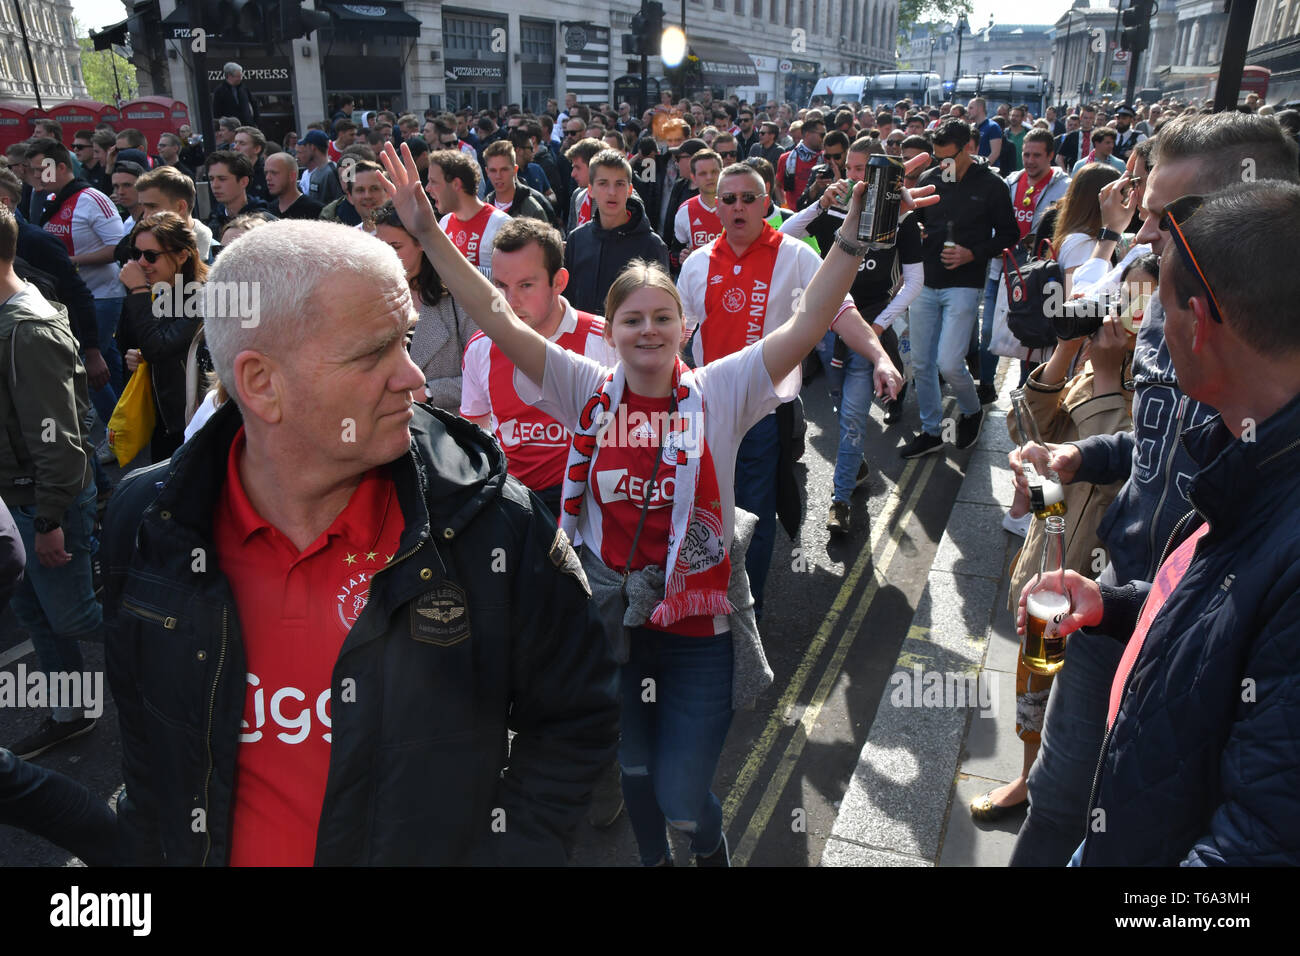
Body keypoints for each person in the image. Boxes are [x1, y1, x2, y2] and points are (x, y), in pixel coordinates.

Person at [378, 140, 931, 867]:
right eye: (631, 320)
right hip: (613, 623)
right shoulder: (582, 385)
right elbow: (496, 313)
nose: (646, 330)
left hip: (697, 629)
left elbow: (804, 322)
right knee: (633, 772)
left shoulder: (721, 391)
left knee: (679, 791)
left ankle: (704, 847)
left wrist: (853, 242)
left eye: (661, 318)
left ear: (683, 329)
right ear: (611, 333)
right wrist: (427, 232)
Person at [103, 214, 620, 866]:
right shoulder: (146, 519)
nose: (414, 378)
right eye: (374, 352)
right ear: (262, 383)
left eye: (405, 341)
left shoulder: (495, 528)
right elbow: (147, 744)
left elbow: (576, 721)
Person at [1009, 111, 1300, 867]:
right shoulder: (1176, 319)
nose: (1143, 243)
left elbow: (1254, 842)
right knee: (1064, 802)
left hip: (1197, 635)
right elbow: (1161, 438)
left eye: (1164, 223)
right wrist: (1084, 459)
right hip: (1140, 606)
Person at [678, 161, 908, 614]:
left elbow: (838, 312)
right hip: (706, 412)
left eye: (749, 198)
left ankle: (748, 610)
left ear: (767, 203)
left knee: (754, 517)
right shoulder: (697, 265)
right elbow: (680, 336)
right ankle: (705, 606)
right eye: (729, 199)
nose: (739, 207)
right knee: (704, 515)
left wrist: (879, 355)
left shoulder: (796, 253)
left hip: (765, 414)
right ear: (716, 208)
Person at [972, 256, 1147, 822]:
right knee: (1034, 676)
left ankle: (1074, 798)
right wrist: (1068, 351)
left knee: (1088, 699)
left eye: (1137, 304)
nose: (1119, 316)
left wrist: (1104, 369)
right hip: (1051, 551)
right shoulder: (1091, 366)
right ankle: (1027, 776)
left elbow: (1114, 458)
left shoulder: (1146, 388)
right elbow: (1027, 424)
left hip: (1096, 573)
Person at [0, 203, 103, 760]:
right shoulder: (9, 317)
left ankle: (195, 658)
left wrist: (48, 519)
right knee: (36, 614)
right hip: (16, 497)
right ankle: (72, 711)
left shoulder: (26, 329)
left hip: (40, 500)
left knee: (77, 614)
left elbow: (57, 439)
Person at [779, 140, 924, 532]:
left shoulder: (901, 218)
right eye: (853, 168)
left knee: (854, 417)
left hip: (867, 325)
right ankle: (855, 466)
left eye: (867, 170)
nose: (858, 177)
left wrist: (877, 328)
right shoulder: (835, 210)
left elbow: (914, 282)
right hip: (829, 328)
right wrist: (821, 204)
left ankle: (839, 499)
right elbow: (784, 234)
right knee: (840, 405)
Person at [903, 119, 1019, 460]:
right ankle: (931, 431)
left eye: (949, 157)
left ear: (969, 147)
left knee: (949, 362)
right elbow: (916, 221)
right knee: (922, 364)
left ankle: (971, 410)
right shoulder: (929, 179)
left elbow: (1010, 234)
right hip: (926, 280)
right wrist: (919, 230)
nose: (943, 165)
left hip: (965, 284)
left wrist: (973, 252)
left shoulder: (992, 185)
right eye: (938, 158)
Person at [27, 138, 123, 435]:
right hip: (74, 296)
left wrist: (69, 260)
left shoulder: (93, 198)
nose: (34, 176)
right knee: (108, 361)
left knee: (86, 368)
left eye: (39, 169)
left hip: (102, 295)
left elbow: (119, 247)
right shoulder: (50, 199)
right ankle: (129, 417)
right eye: (30, 170)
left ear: (60, 167)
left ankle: (118, 433)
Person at [978, 128, 1072, 402]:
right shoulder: (1010, 181)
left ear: (1051, 155)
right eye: (1026, 154)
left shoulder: (1065, 186)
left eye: (1037, 155)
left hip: (1038, 277)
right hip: (1002, 270)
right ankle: (985, 384)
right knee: (989, 331)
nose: (1030, 160)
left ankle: (1025, 389)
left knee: (1030, 332)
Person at [115, 212, 206, 463]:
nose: (141, 263)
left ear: (182, 255)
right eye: (137, 254)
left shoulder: (200, 294)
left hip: (189, 421)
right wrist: (137, 354)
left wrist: (138, 290)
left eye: (151, 256)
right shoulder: (156, 287)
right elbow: (128, 341)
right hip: (162, 417)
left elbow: (159, 347)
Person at [368, 203, 478, 410]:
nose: (387, 256)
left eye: (395, 247)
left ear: (422, 244)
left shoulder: (458, 298)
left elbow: (483, 376)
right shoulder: (369, 296)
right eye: (381, 247)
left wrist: (429, 392)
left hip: (445, 430)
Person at [563, 150, 669, 315]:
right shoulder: (577, 239)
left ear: (629, 190)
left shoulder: (652, 245)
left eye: (619, 184)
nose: (612, 192)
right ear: (590, 190)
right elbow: (567, 300)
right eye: (603, 183)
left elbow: (662, 307)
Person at [427, 149, 509, 279]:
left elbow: (510, 279)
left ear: (456, 184)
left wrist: (455, 269)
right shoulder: (444, 222)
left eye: (434, 182)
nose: (428, 188)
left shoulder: (500, 224)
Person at [134, 164, 217, 264]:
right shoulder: (139, 249)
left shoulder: (217, 259)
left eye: (152, 207)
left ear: (180, 207)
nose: (145, 216)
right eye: (143, 207)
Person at [483, 141, 559, 227]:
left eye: (504, 169)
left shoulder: (532, 210)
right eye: (493, 170)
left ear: (515, 170)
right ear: (487, 172)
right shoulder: (483, 209)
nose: (498, 176)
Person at [671, 148, 724, 267]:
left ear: (722, 172)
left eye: (714, 172)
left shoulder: (736, 206)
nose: (709, 177)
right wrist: (681, 256)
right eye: (703, 173)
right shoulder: (685, 211)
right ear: (693, 178)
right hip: (698, 282)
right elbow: (675, 251)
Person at [205, 151, 273, 236]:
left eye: (222, 179)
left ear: (244, 182)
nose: (214, 185)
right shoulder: (213, 221)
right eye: (211, 179)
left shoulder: (265, 222)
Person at [776, 110, 824, 205]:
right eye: (821, 135)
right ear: (807, 134)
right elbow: (777, 185)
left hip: (818, 214)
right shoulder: (786, 158)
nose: (824, 138)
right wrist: (785, 206)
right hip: (793, 215)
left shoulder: (827, 158)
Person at [321, 157, 386, 227]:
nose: (367, 196)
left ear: (387, 192)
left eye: (374, 189)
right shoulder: (347, 235)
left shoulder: (398, 231)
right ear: (350, 197)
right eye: (360, 190)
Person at [265, 152, 322, 221]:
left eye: (274, 173)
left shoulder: (315, 210)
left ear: (292, 176)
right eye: (266, 173)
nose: (268, 178)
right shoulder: (269, 209)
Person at [296, 130, 343, 206]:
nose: (305, 149)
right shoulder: (314, 173)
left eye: (306, 146)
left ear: (312, 147)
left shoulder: (332, 171)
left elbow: (340, 201)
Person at [212, 63, 258, 128]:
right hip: (231, 128)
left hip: (247, 126)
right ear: (229, 76)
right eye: (238, 76)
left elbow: (254, 103)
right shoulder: (219, 91)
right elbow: (216, 112)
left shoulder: (244, 88)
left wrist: (256, 122)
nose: (240, 78)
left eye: (241, 76)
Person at [233, 126, 270, 200]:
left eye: (242, 143)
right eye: (235, 142)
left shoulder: (268, 174)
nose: (235, 147)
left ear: (257, 149)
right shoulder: (230, 173)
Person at [1056, 104, 1095, 171]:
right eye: (1085, 118)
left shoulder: (1099, 135)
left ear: (1094, 119)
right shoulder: (1072, 135)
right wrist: (1065, 173)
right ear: (1081, 118)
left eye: (1091, 118)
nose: (1088, 120)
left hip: (1093, 171)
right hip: (1074, 171)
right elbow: (1059, 157)